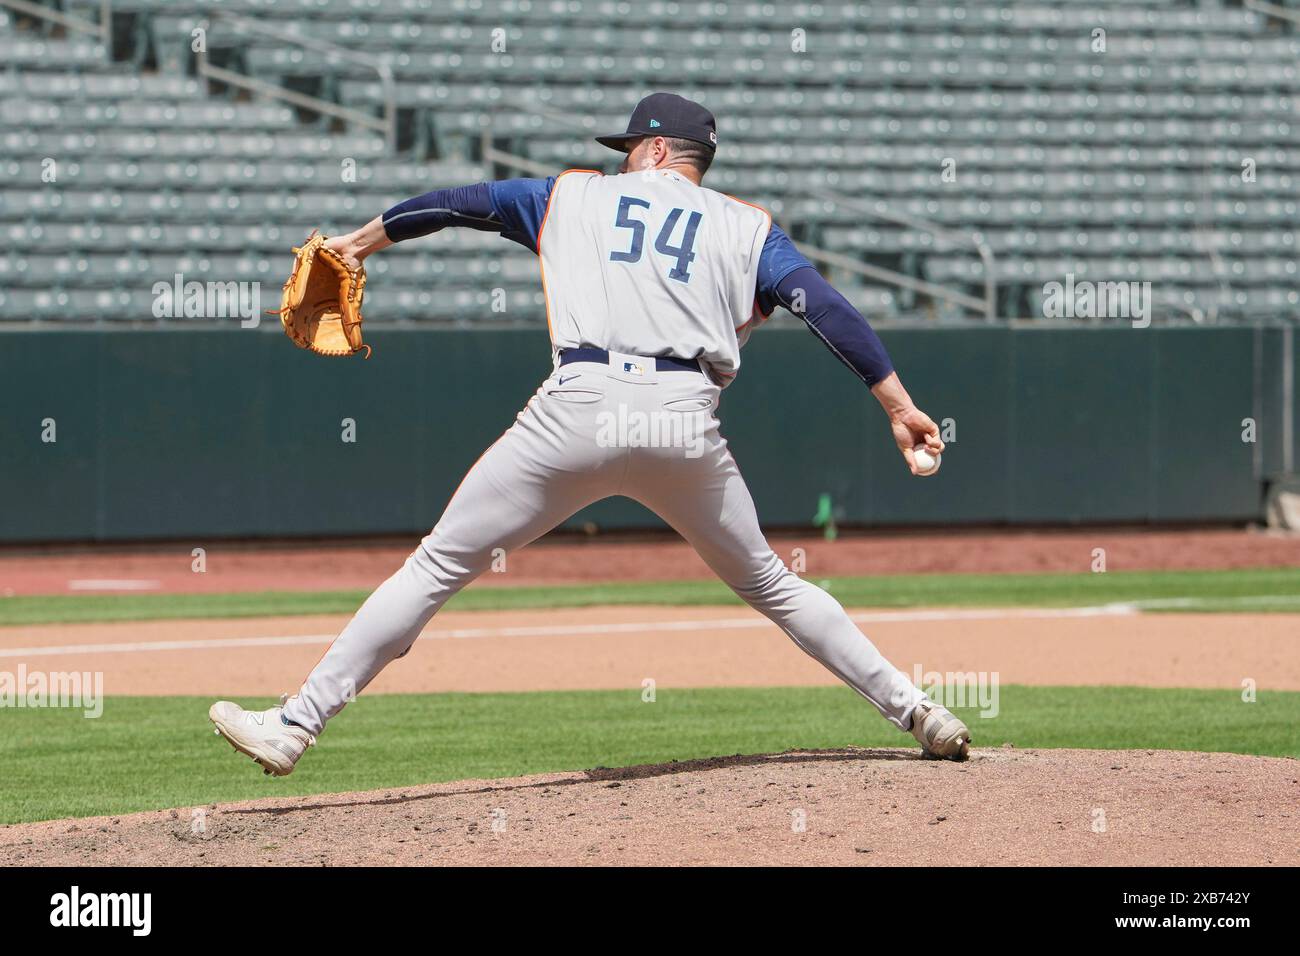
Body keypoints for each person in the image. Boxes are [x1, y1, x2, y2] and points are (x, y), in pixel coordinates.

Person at [209, 92, 969, 776]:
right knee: (771, 582)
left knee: (437, 566)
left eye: (632, 145)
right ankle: (917, 710)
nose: (626, 156)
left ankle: (297, 723)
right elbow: (825, 307)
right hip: (683, 417)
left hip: (580, 405)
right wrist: (898, 405)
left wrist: (360, 242)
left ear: (659, 149)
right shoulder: (747, 228)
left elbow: (457, 201)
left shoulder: (570, 196)